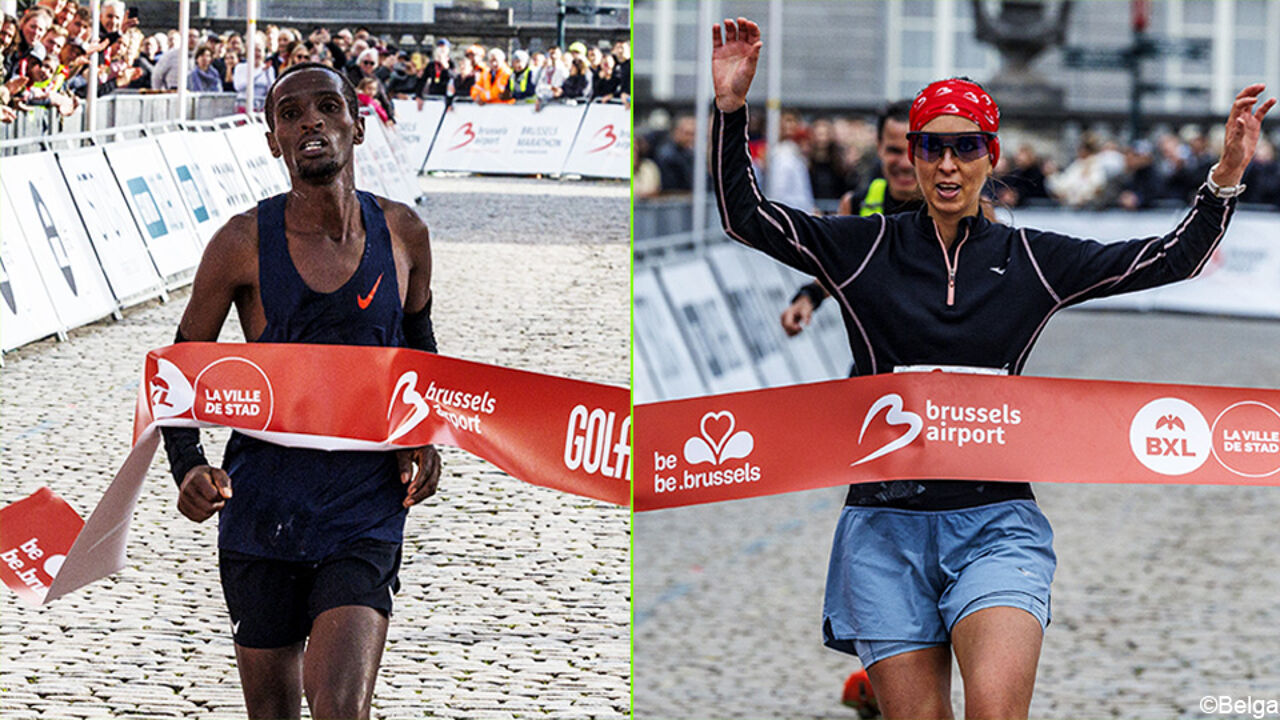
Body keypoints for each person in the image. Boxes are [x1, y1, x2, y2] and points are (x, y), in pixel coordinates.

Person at [709, 17, 1273, 720]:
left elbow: (1169, 259)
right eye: (932, 147)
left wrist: (1224, 178)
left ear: (991, 155)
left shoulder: (1031, 258)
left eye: (966, 147)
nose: (948, 165)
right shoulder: (864, 246)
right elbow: (746, 218)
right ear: (913, 155)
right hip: (883, 530)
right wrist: (730, 109)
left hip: (996, 526)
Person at [160, 62, 441, 720]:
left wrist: (422, 437)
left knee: (341, 707)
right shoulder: (240, 244)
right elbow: (178, 368)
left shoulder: (404, 233)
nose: (310, 120)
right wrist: (188, 466)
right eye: (290, 114)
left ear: (358, 126)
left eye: (327, 107)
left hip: (364, 503)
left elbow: (420, 350)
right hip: (262, 507)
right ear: (273, 142)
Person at [780, 100, 921, 337]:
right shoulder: (856, 204)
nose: (905, 164)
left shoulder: (953, 208)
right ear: (879, 148)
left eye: (914, 151)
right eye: (894, 151)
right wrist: (808, 298)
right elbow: (835, 267)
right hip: (878, 349)